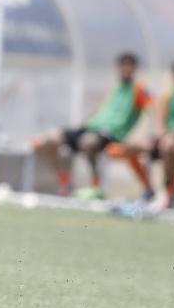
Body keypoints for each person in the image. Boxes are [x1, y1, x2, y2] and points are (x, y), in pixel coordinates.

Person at [27, 52, 149, 198]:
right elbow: (101, 108)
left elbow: (152, 108)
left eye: (129, 66)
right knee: (48, 140)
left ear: (134, 68)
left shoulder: (139, 89)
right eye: (123, 66)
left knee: (88, 142)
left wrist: (149, 133)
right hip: (91, 128)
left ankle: (95, 185)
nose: (125, 70)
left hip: (110, 134)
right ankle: (64, 181)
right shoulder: (114, 86)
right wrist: (83, 123)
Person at [127, 59, 174, 209]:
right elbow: (159, 122)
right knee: (131, 146)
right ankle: (148, 188)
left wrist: (173, 136)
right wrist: (163, 135)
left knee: (170, 150)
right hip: (165, 138)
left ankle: (171, 194)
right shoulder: (167, 97)